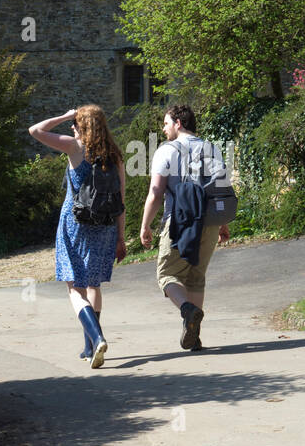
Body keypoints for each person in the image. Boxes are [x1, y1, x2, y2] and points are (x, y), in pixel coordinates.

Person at [29, 105, 127, 369]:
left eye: (75, 122)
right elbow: (121, 201)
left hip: (75, 224)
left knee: (74, 287)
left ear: (82, 125)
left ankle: (96, 338)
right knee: (93, 284)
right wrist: (121, 238)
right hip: (105, 226)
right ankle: (89, 347)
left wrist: (63, 115)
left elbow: (35, 130)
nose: (72, 126)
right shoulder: (115, 155)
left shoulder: (74, 147)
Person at [138, 104, 230, 351]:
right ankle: (195, 335)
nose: (164, 128)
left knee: (166, 274)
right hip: (209, 222)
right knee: (196, 277)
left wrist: (145, 225)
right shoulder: (213, 149)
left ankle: (187, 310)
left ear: (178, 123)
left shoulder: (166, 151)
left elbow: (156, 192)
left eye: (166, 123)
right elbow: (219, 189)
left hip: (179, 222)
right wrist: (222, 223)